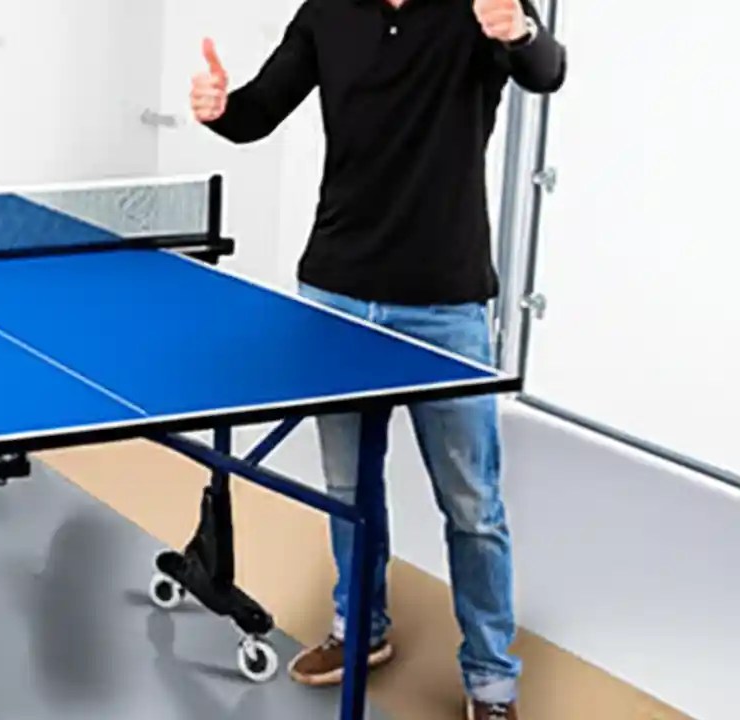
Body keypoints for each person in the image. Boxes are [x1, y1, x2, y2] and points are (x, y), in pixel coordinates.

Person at [189, 1, 566, 719]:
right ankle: (361, 628)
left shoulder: (481, 8)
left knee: (472, 505)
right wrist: (218, 109)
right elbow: (260, 109)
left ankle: (490, 678)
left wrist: (520, 32)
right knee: (348, 492)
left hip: (445, 306)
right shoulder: (327, 11)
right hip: (335, 294)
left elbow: (545, 72)